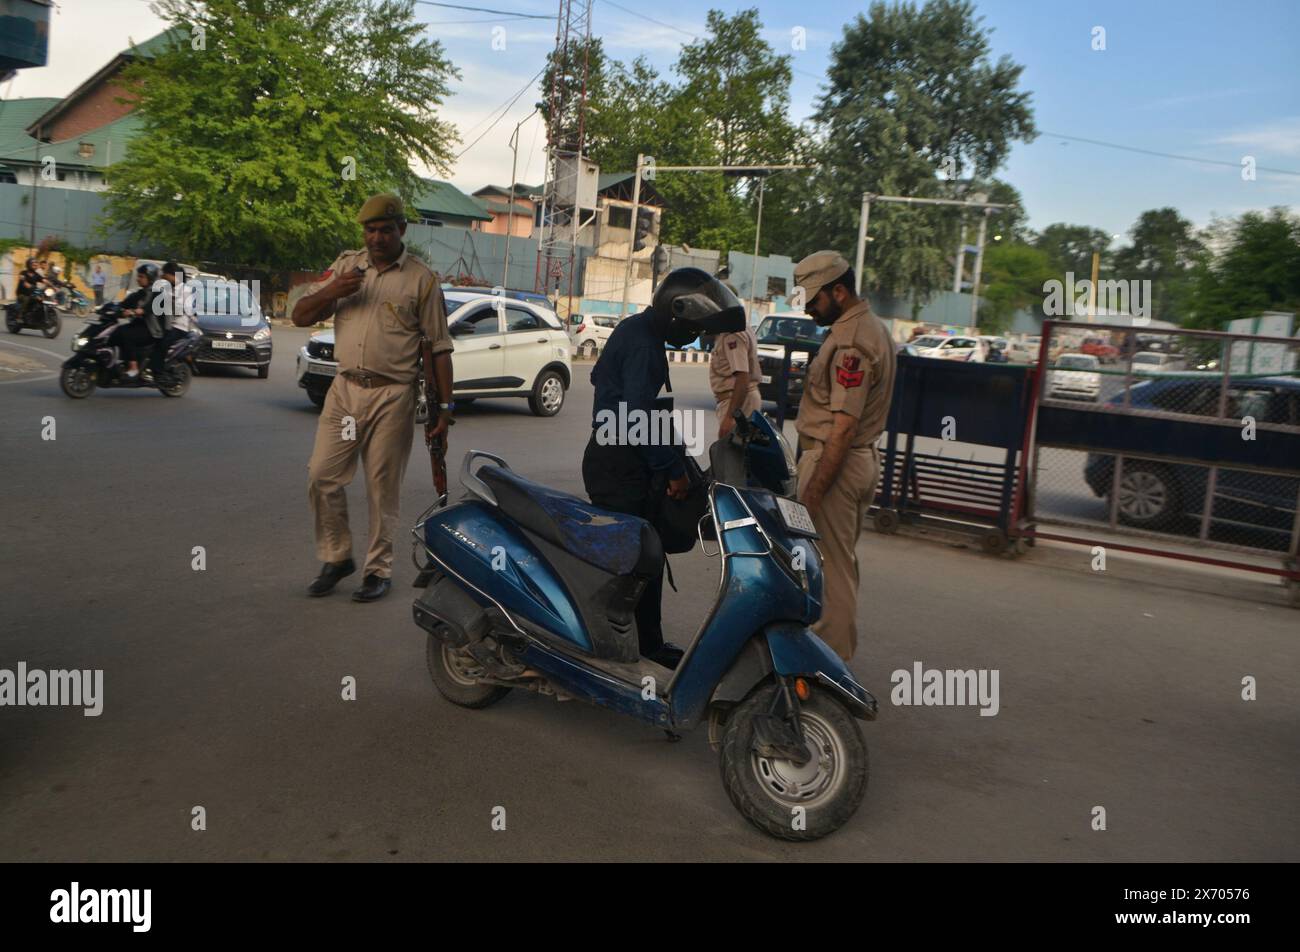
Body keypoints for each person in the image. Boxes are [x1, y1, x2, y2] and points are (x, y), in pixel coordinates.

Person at [294, 193, 454, 602]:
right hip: (345, 389)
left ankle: (377, 570)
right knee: (321, 476)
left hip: (393, 395)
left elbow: (439, 348)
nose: (377, 237)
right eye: (370, 230)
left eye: (385, 229)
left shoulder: (421, 279)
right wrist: (335, 289)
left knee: (382, 487)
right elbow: (300, 315)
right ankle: (336, 557)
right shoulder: (347, 268)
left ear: (401, 230)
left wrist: (445, 410)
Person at [583, 266, 745, 669]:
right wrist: (671, 470)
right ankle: (624, 644)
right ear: (674, 315)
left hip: (621, 457)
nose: (694, 337)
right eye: (692, 329)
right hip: (619, 466)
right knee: (636, 557)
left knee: (644, 554)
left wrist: (676, 456)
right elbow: (635, 418)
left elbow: (628, 402)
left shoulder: (638, 330)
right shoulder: (644, 346)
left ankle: (644, 641)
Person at [792, 251, 896, 662]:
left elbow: (843, 427)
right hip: (854, 459)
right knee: (838, 567)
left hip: (835, 461)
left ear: (839, 291)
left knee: (831, 575)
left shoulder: (852, 343)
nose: (809, 308)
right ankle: (832, 662)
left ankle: (826, 674)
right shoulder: (868, 329)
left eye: (814, 299)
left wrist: (813, 495)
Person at [708, 317, 762, 440]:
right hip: (740, 400)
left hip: (737, 401)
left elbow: (742, 377)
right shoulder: (742, 326)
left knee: (733, 455)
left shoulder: (732, 335)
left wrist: (731, 417)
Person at [110, 264, 163, 379]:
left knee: (126, 334)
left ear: (150, 278)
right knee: (115, 332)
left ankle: (134, 367)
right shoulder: (139, 293)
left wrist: (140, 311)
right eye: (138, 276)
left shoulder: (158, 294)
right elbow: (123, 304)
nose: (138, 279)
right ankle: (116, 363)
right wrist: (114, 309)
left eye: (142, 276)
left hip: (151, 330)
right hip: (138, 326)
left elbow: (151, 308)